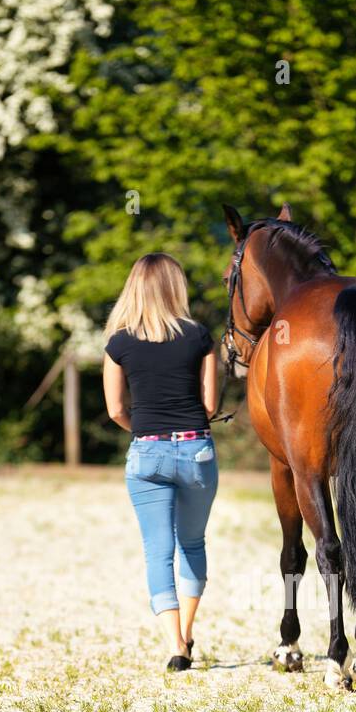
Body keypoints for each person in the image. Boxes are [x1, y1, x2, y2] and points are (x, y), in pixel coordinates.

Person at [102, 254, 218, 671]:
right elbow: (209, 404)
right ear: (176, 288)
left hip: (147, 453)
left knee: (158, 552)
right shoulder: (199, 337)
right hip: (196, 451)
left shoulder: (118, 344)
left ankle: (175, 646)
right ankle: (187, 631)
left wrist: (144, 430)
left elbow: (115, 409)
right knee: (192, 543)